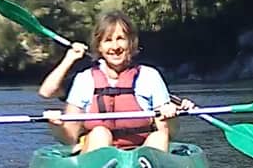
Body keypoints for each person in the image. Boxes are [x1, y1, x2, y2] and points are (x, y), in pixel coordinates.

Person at [38, 14, 193, 154]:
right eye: (108, 40)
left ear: (131, 43)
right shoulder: (84, 79)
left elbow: (169, 133)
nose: (115, 47)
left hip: (140, 155)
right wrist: (55, 126)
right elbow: (69, 138)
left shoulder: (149, 76)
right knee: (100, 133)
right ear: (99, 46)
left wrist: (170, 117)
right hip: (97, 157)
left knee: (159, 137)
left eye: (120, 38)